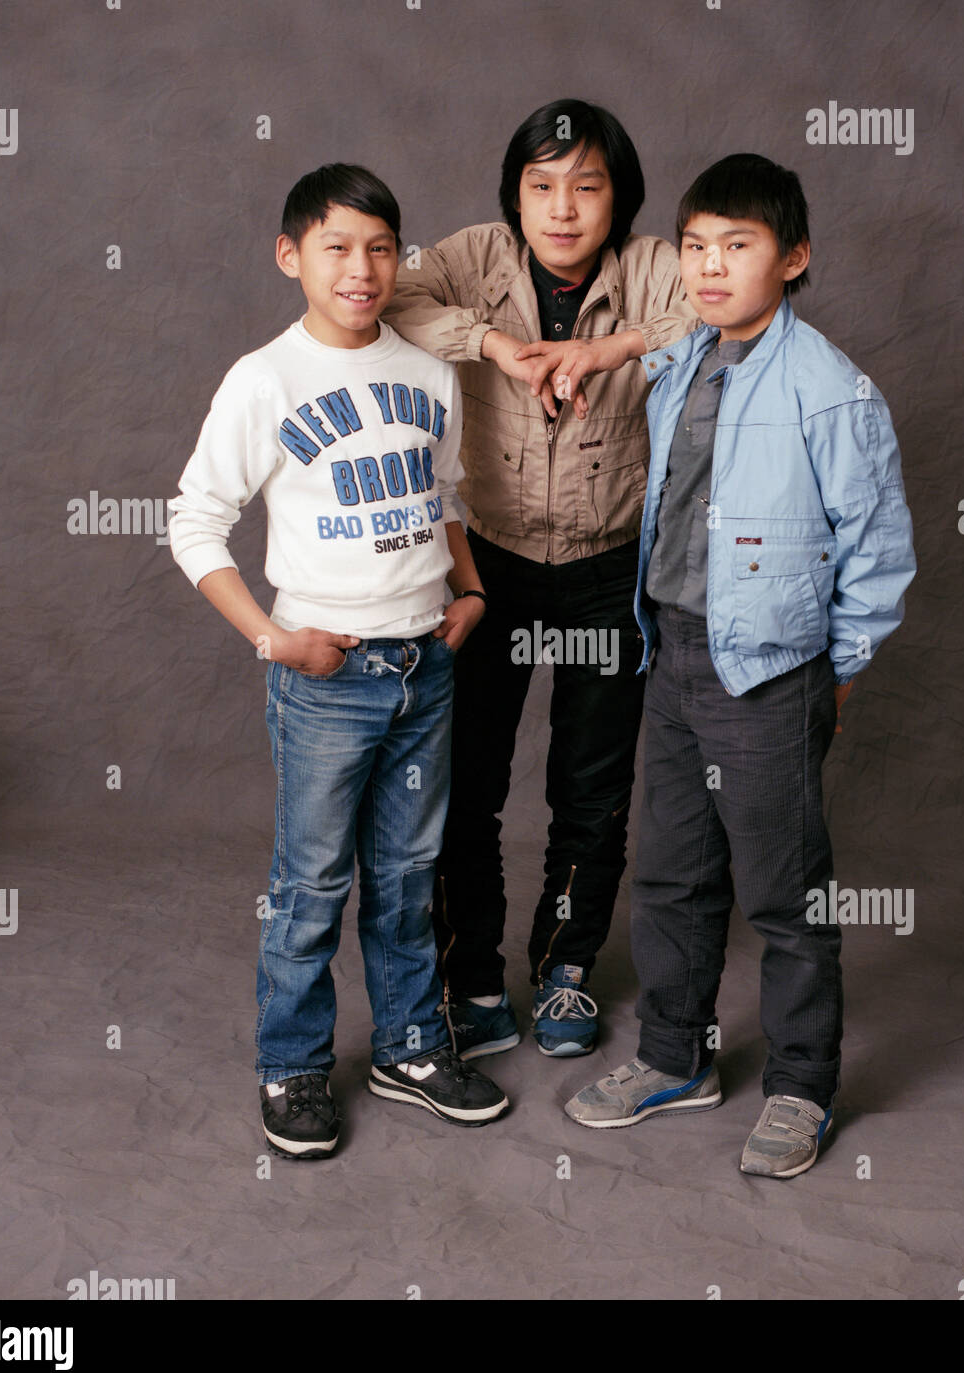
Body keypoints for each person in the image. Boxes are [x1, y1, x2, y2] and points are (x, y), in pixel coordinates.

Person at [564, 153, 917, 1179]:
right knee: (672, 874)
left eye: (738, 246)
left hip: (767, 673)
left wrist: (832, 670)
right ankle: (674, 1058)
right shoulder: (686, 357)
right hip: (672, 651)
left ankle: (802, 1084)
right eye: (695, 247)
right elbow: (652, 349)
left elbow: (877, 548)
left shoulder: (829, 390)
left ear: (792, 256)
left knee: (784, 891)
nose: (710, 267)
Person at [168, 163, 509, 1160]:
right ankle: (294, 1066)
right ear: (291, 257)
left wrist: (473, 589)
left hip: (424, 669)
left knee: (406, 877)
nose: (361, 269)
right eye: (336, 247)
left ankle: (408, 1048)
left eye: (378, 248)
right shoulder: (263, 380)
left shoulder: (428, 372)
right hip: (327, 678)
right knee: (312, 884)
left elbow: (442, 497)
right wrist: (272, 637)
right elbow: (194, 522)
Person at [381, 98, 699, 1060]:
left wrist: (608, 349)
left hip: (608, 573)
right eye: (541, 185)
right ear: (516, 194)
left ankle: (565, 971)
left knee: (591, 789)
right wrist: (493, 344)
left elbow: (724, 306)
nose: (562, 208)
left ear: (621, 197)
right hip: (489, 567)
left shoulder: (653, 268)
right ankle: (473, 975)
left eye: (587, 186)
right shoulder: (475, 255)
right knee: (467, 783)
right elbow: (382, 290)